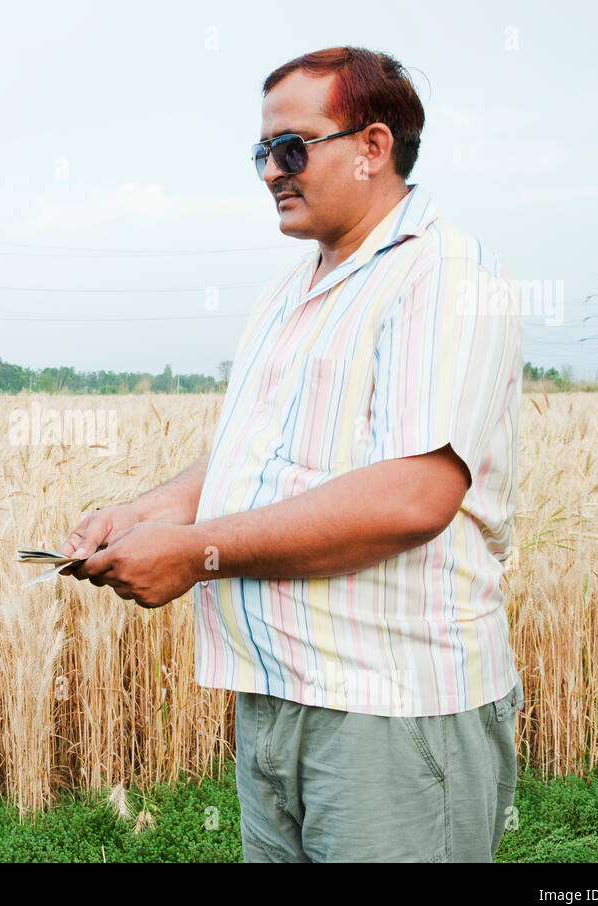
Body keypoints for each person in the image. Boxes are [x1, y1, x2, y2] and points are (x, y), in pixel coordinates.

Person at [62, 47, 524, 862]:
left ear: (372, 147)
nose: (272, 171)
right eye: (261, 153)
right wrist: (147, 513)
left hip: (391, 708)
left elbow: (414, 495)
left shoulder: (445, 273)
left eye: (292, 147)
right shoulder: (289, 289)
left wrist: (198, 554)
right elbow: (255, 456)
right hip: (276, 697)